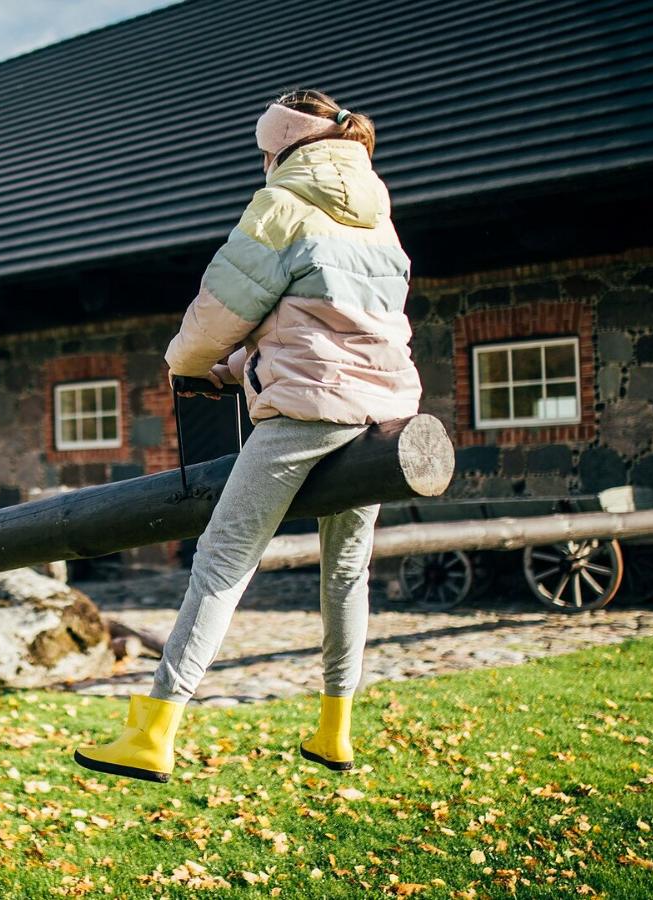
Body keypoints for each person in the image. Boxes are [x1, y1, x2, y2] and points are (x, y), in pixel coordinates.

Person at [74, 90, 421, 782]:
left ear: (284, 146)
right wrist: (242, 369)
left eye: (265, 150)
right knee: (348, 573)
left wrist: (189, 363)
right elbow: (331, 322)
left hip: (306, 412)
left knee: (223, 562)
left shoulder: (282, 202)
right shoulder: (378, 216)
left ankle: (154, 732)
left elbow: (219, 312)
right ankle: (334, 729)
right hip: (383, 411)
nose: (262, 162)